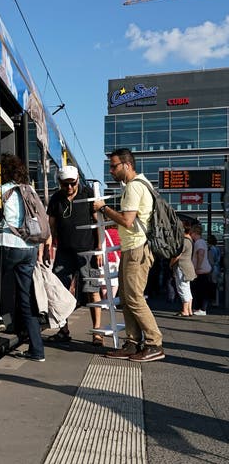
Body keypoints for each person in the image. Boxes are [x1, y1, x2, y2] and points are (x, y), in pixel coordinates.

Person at [93, 149, 165, 361]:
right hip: (132, 247)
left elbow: (127, 221)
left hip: (137, 249)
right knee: (125, 297)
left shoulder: (133, 187)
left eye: (114, 166)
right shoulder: (142, 184)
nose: (111, 171)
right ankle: (133, 343)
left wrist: (104, 208)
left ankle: (154, 344)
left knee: (133, 298)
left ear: (126, 165)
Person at [0, 153, 46, 362]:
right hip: (28, 247)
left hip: (1, 244)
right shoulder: (26, 190)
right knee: (26, 299)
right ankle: (37, 350)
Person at [44, 165, 102, 345]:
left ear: (77, 180)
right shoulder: (56, 198)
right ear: (59, 183)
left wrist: (99, 248)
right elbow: (51, 225)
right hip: (64, 252)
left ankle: (97, 332)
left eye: (72, 183)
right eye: (65, 184)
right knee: (60, 292)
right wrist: (48, 247)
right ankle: (64, 330)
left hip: (87, 251)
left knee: (92, 290)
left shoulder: (88, 193)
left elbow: (98, 222)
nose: (69, 188)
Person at [169, 222, 196, 317]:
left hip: (182, 267)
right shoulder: (190, 240)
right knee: (187, 288)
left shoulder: (183, 241)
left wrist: (171, 264)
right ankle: (189, 310)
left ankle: (185, 310)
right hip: (188, 266)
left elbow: (177, 255)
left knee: (182, 288)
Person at [190, 222, 212, 315]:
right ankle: (200, 308)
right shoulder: (202, 242)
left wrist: (197, 267)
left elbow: (201, 254)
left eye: (191, 233)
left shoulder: (199, 242)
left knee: (201, 290)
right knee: (201, 290)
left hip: (201, 270)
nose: (191, 235)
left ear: (195, 233)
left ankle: (202, 309)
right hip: (203, 270)